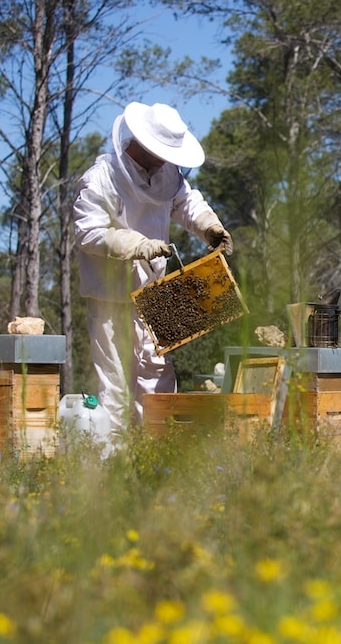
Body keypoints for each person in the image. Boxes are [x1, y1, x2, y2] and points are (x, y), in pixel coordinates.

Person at [73, 101, 232, 445]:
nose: (165, 158)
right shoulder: (100, 178)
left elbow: (187, 202)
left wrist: (209, 226)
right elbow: (88, 232)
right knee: (115, 389)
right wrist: (136, 244)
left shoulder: (167, 175)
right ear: (143, 143)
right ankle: (111, 470)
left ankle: (156, 465)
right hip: (110, 298)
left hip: (155, 298)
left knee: (158, 384)